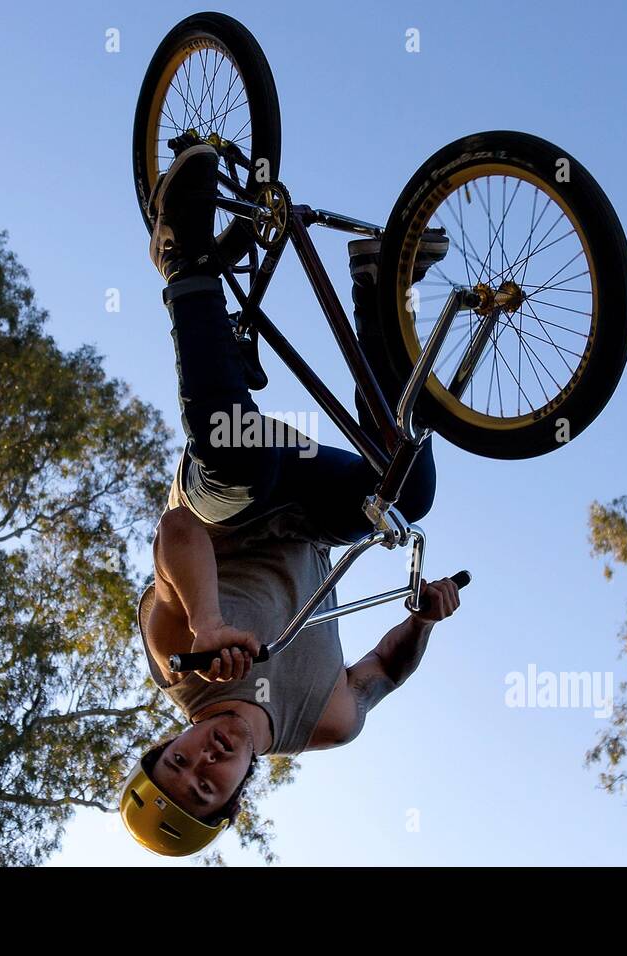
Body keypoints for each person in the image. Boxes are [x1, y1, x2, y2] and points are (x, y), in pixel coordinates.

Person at [121, 140, 463, 857]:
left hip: (229, 500)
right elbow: (379, 673)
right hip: (310, 515)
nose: (204, 759)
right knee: (409, 489)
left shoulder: (176, 659)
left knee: (236, 453)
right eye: (207, 786)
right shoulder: (327, 722)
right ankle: (376, 287)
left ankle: (182, 259)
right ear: (236, 803)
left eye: (178, 760)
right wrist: (424, 622)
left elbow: (176, 529)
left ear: (168, 738)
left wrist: (208, 620)